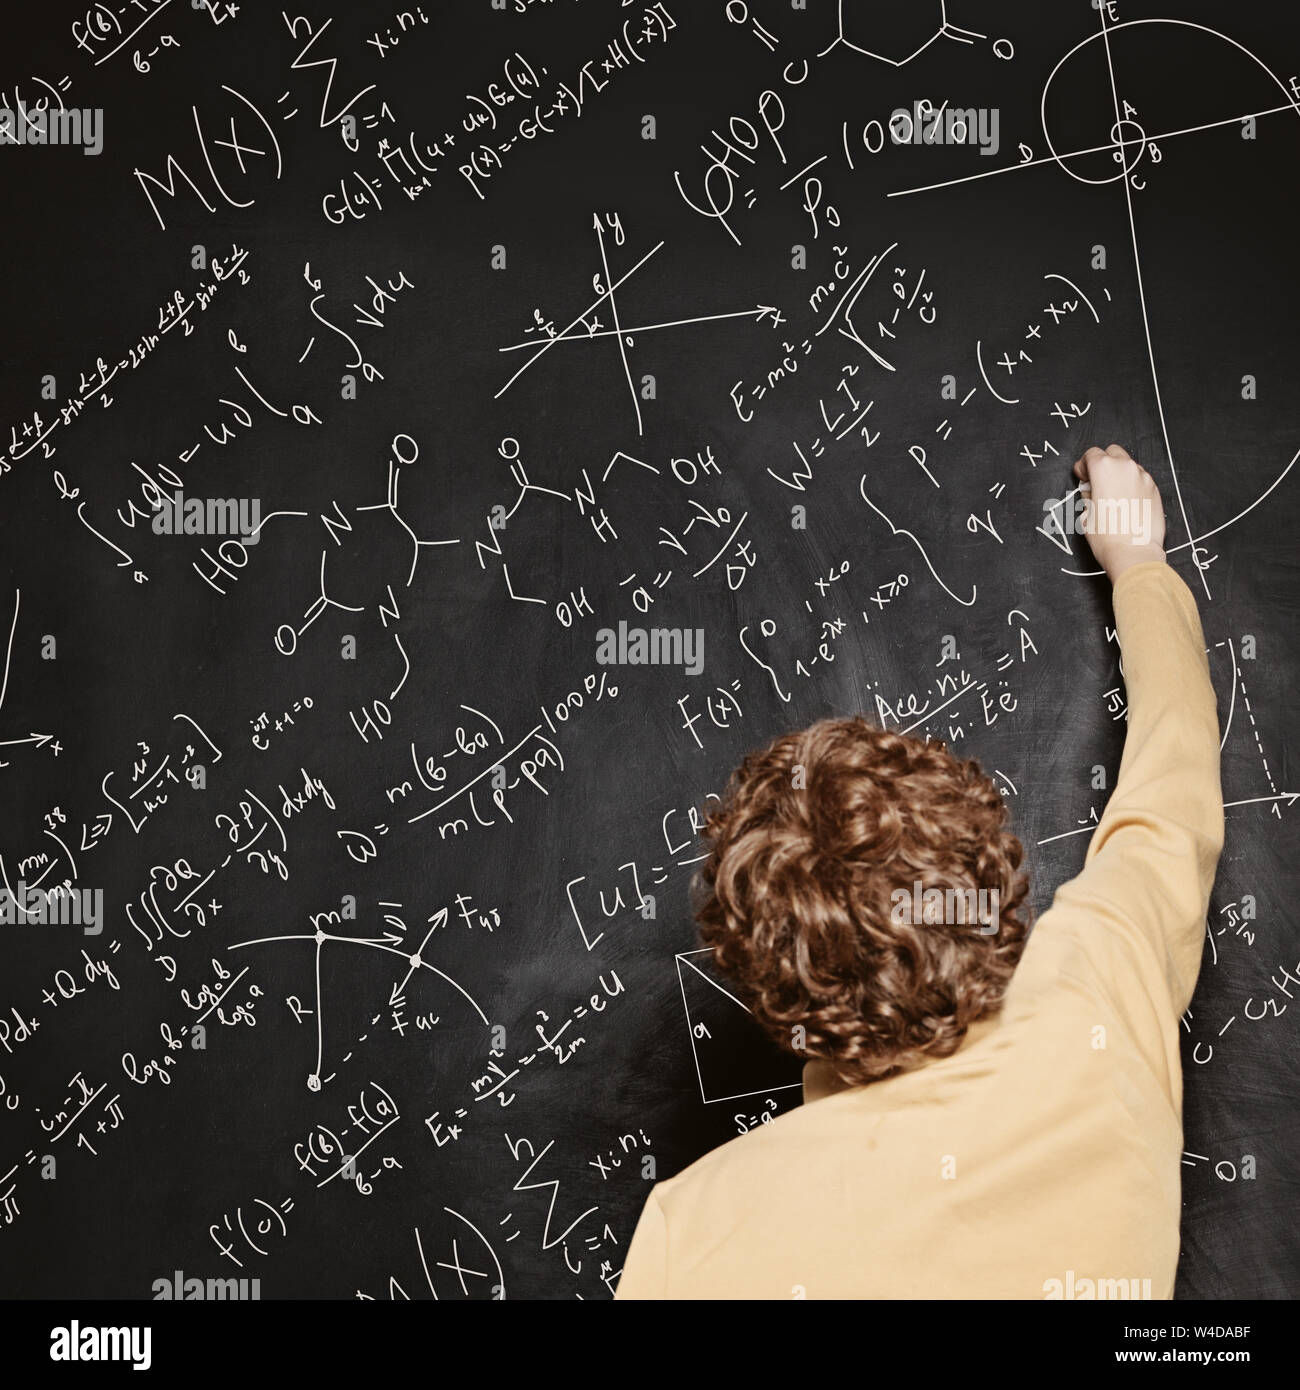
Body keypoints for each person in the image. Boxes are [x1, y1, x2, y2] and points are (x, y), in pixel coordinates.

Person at [615, 445, 1224, 1300]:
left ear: (775, 996)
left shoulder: (697, 1232)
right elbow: (1175, 788)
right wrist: (1140, 564)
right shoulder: (1101, 999)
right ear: (981, 868)